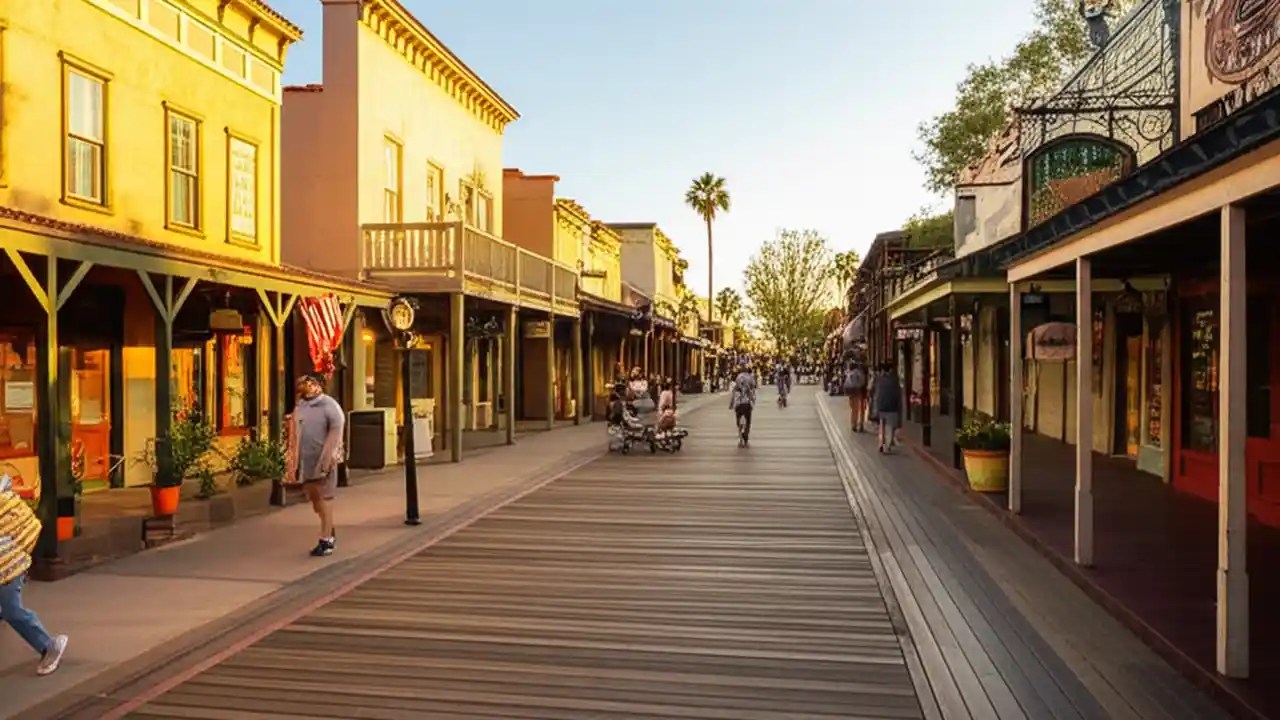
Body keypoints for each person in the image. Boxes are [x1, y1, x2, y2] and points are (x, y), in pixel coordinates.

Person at [0, 475, 68, 676]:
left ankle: (49, 646)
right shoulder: (6, 500)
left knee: (13, 611)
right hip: (12, 560)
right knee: (7, 610)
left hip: (7, 567)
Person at [292, 375, 346, 557]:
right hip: (306, 460)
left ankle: (326, 540)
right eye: (302, 385)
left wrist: (329, 458)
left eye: (309, 384)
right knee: (316, 501)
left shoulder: (330, 406)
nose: (306, 388)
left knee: (325, 498)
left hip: (324, 460)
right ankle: (329, 528)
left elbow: (337, 430)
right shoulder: (301, 406)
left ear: (317, 385)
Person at [871, 362, 903, 453]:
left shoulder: (879, 380)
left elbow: (876, 394)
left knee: (881, 426)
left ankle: (881, 443)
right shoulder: (895, 381)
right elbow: (898, 396)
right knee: (889, 427)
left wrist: (875, 408)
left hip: (881, 407)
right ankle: (887, 446)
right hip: (892, 407)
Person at [729, 363, 757, 446]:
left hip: (739, 403)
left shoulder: (738, 378)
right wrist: (753, 400)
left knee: (738, 419)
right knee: (748, 421)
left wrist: (731, 404)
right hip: (747, 403)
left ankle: (740, 436)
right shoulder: (751, 378)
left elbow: (734, 392)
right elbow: (753, 390)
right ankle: (746, 436)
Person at [844, 362, 868, 432]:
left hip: (852, 393)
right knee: (862, 409)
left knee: (854, 409)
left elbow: (846, 384)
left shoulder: (850, 374)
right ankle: (861, 425)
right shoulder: (861, 374)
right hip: (860, 392)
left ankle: (853, 424)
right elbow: (863, 382)